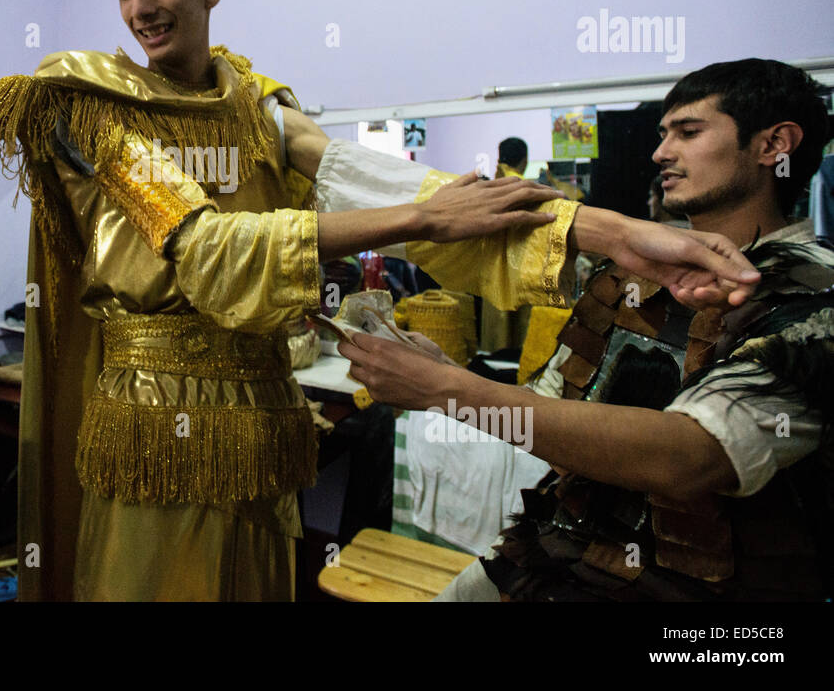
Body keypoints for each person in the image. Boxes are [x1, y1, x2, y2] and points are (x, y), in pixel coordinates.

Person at [0, 0, 759, 601]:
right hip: (148, 413)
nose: (141, 7)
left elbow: (372, 179)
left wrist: (607, 231)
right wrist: (424, 216)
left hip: (258, 415)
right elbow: (211, 250)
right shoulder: (95, 106)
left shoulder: (259, 107)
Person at [341, 58, 834, 600]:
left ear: (774, 145)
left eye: (689, 132)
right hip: (558, 555)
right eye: (662, 134)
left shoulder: (812, 296)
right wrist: (442, 372)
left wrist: (451, 391)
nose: (660, 153)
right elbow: (551, 418)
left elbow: (690, 456)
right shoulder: (629, 274)